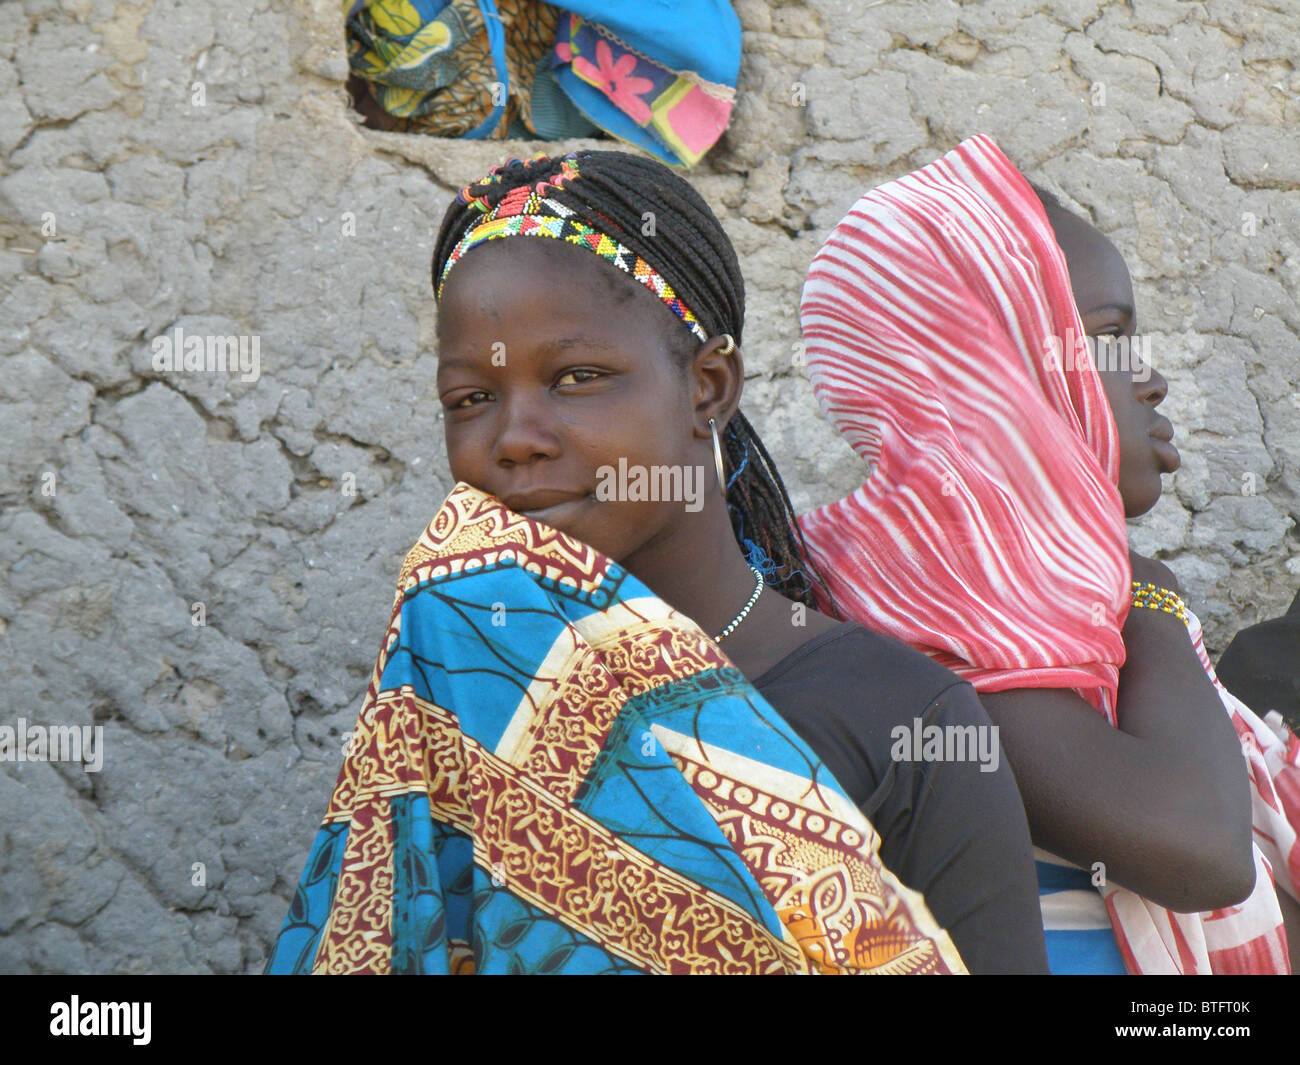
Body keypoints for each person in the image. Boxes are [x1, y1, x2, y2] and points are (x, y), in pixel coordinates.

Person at [264, 148, 1048, 974]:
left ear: (709, 386)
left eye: (577, 377)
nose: (513, 438)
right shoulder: (454, 692)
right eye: (471, 399)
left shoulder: (903, 721)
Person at [796, 133, 1300, 974]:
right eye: (1106, 336)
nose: (1151, 380)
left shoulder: (1043, 597)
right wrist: (1151, 593)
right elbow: (1201, 850)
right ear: (986, 369)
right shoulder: (941, 601)